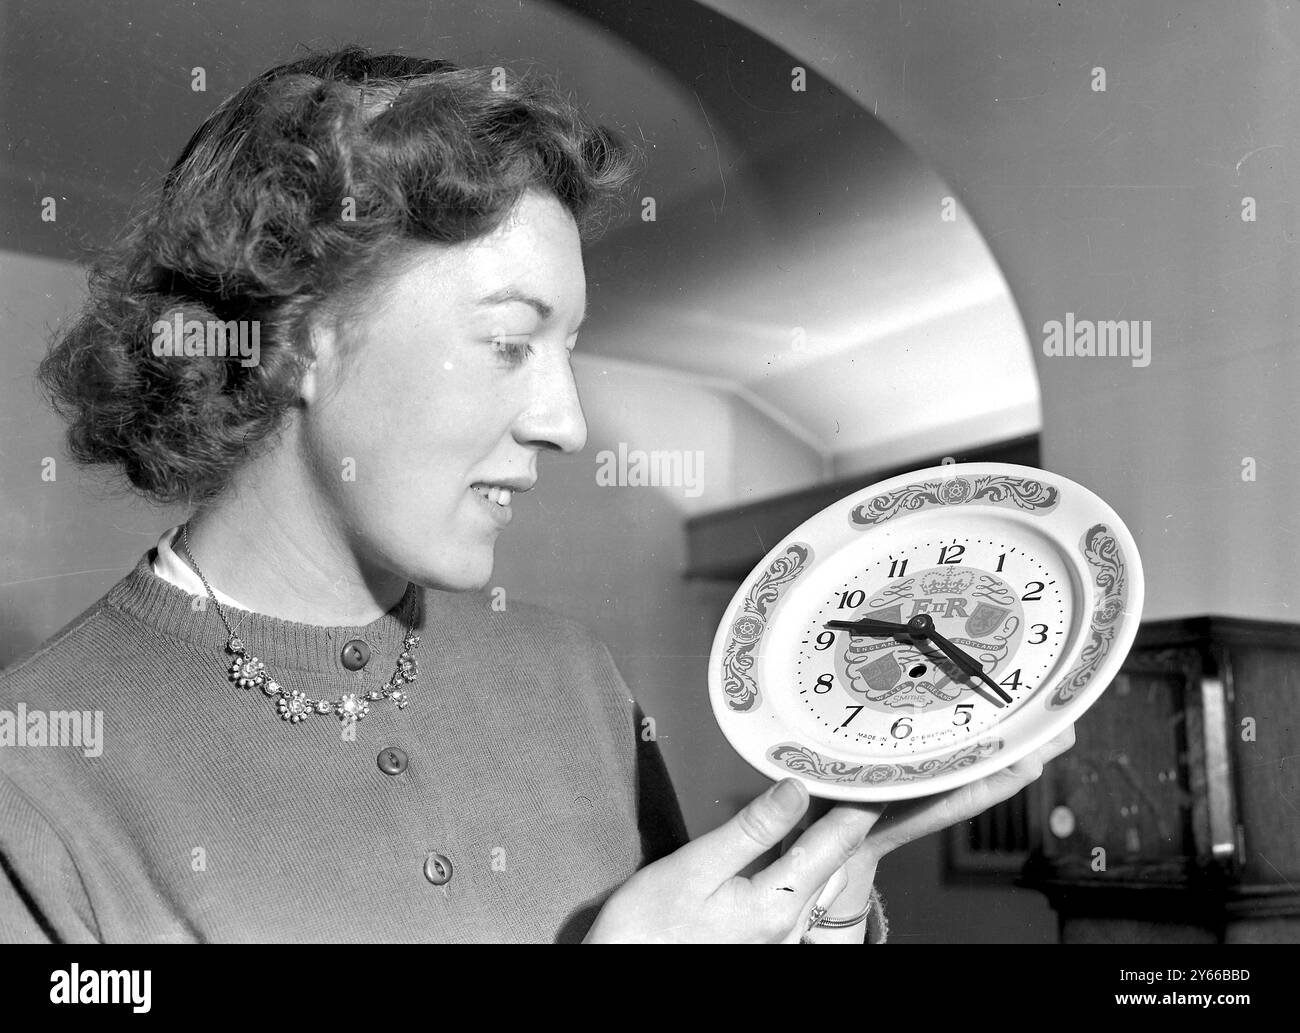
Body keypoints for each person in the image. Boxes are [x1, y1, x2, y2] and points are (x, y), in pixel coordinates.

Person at [0, 45, 1072, 944]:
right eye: (510, 341)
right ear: (298, 341)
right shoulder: (35, 771)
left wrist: (825, 897)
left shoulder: (576, 677)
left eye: (570, 349)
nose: (565, 421)